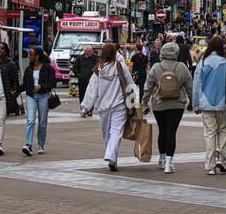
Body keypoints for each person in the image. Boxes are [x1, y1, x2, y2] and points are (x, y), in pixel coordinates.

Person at [78, 42, 137, 171]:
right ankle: (111, 157)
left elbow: (91, 90)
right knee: (116, 132)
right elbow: (130, 83)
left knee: (107, 135)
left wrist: (85, 107)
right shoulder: (120, 66)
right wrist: (135, 103)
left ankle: (111, 157)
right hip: (119, 104)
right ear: (115, 53)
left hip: (103, 106)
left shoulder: (98, 70)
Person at [142, 40, 193, 173]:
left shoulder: (156, 67)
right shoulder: (182, 67)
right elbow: (190, 86)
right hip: (177, 104)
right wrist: (192, 102)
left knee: (162, 131)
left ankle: (162, 158)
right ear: (176, 53)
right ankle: (169, 164)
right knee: (172, 132)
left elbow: (148, 87)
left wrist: (144, 102)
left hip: (159, 104)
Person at [193, 35, 226, 175]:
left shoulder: (203, 62)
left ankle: (210, 165)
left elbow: (197, 84)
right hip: (223, 102)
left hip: (206, 102)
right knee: (223, 130)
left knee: (210, 133)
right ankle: (221, 158)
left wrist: (196, 104)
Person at [20, 46, 56, 156]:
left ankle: (41, 144)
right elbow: (25, 84)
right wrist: (15, 91)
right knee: (30, 119)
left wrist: (41, 87)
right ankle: (28, 144)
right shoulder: (28, 69)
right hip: (31, 96)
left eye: (31, 54)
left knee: (42, 122)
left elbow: (52, 83)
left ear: (37, 56)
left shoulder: (48, 68)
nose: (29, 56)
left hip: (43, 96)